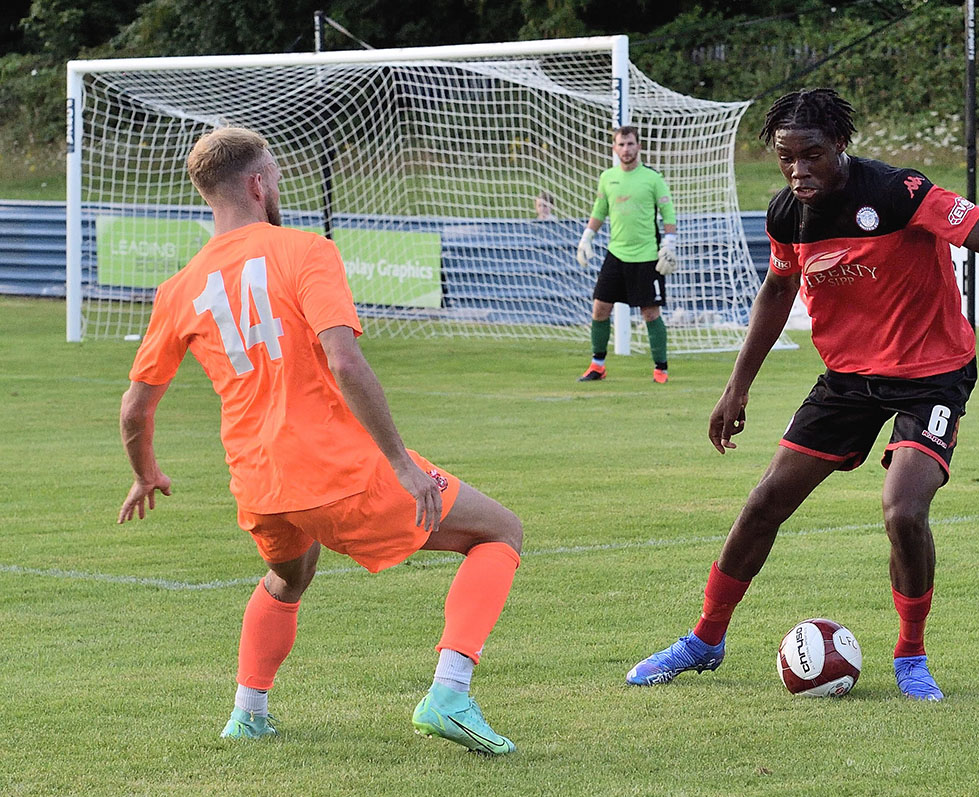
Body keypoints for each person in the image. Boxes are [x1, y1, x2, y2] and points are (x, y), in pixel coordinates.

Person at [625, 89, 979, 700]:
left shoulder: (899, 194)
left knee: (904, 509)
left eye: (812, 156)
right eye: (786, 159)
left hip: (932, 375)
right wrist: (735, 388)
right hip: (849, 381)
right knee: (765, 501)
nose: (799, 171)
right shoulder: (786, 215)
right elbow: (776, 293)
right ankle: (704, 640)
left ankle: (910, 656)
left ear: (841, 147)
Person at [117, 127, 523, 754]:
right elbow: (346, 362)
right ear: (257, 184)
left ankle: (248, 713)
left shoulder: (179, 289)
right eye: (274, 176)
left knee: (289, 575)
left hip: (259, 483)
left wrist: (145, 473)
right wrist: (401, 464)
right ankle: (449, 694)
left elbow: (136, 410)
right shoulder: (305, 250)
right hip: (337, 469)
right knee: (499, 531)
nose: (277, 186)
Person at [575, 126, 678, 384]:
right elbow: (600, 211)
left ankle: (660, 369)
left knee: (650, 313)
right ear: (614, 148)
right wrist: (586, 238)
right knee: (600, 308)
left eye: (630, 144)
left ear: (638, 146)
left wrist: (669, 243)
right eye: (621, 145)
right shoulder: (607, 177)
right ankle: (597, 365)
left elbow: (669, 214)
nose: (626, 149)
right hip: (616, 254)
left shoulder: (653, 178)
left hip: (646, 256)